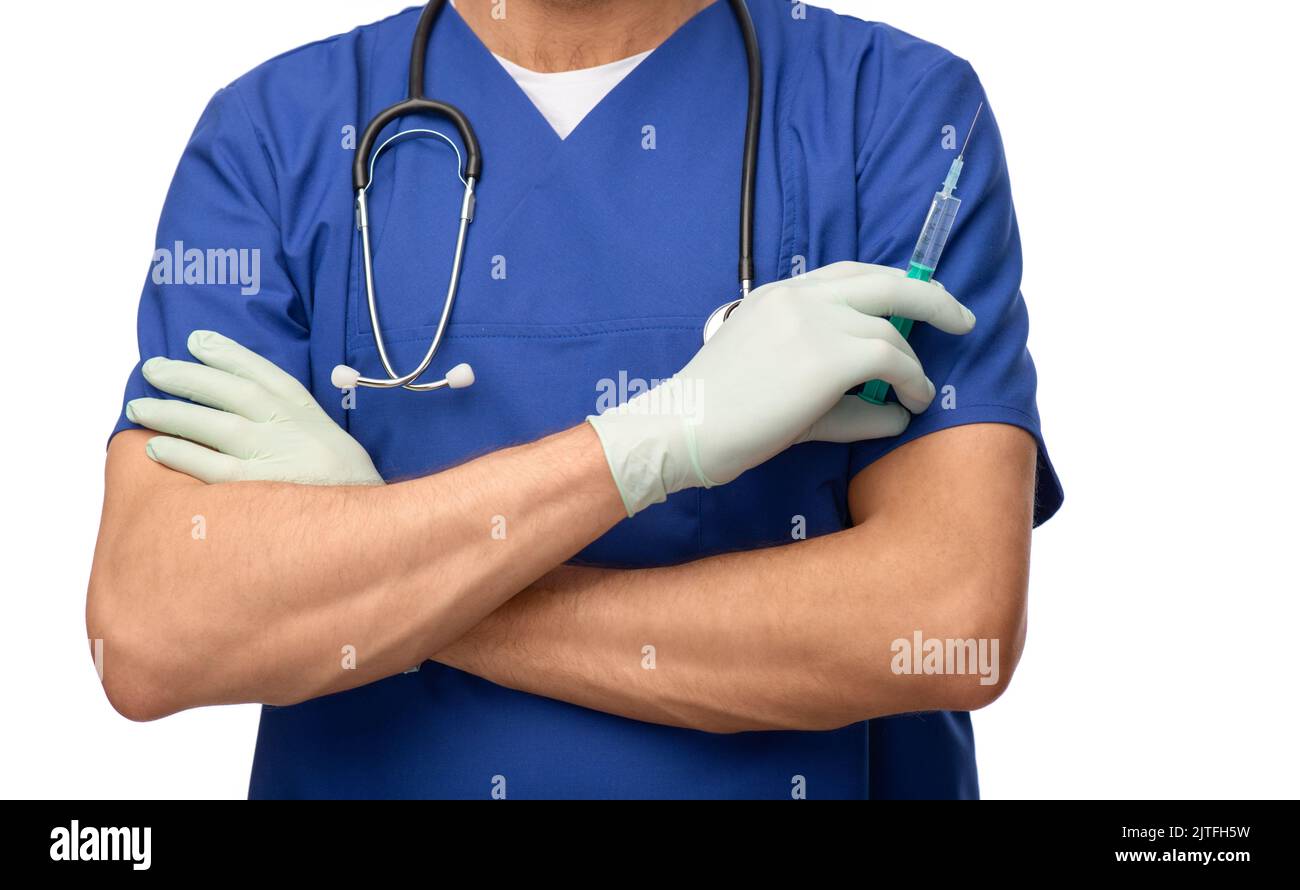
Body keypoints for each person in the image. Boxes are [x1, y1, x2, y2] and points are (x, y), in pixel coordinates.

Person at [88, 0, 1062, 799]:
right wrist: (656, 437)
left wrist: (380, 571)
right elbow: (154, 630)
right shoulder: (277, 133)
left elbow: (947, 618)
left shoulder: (886, 111)